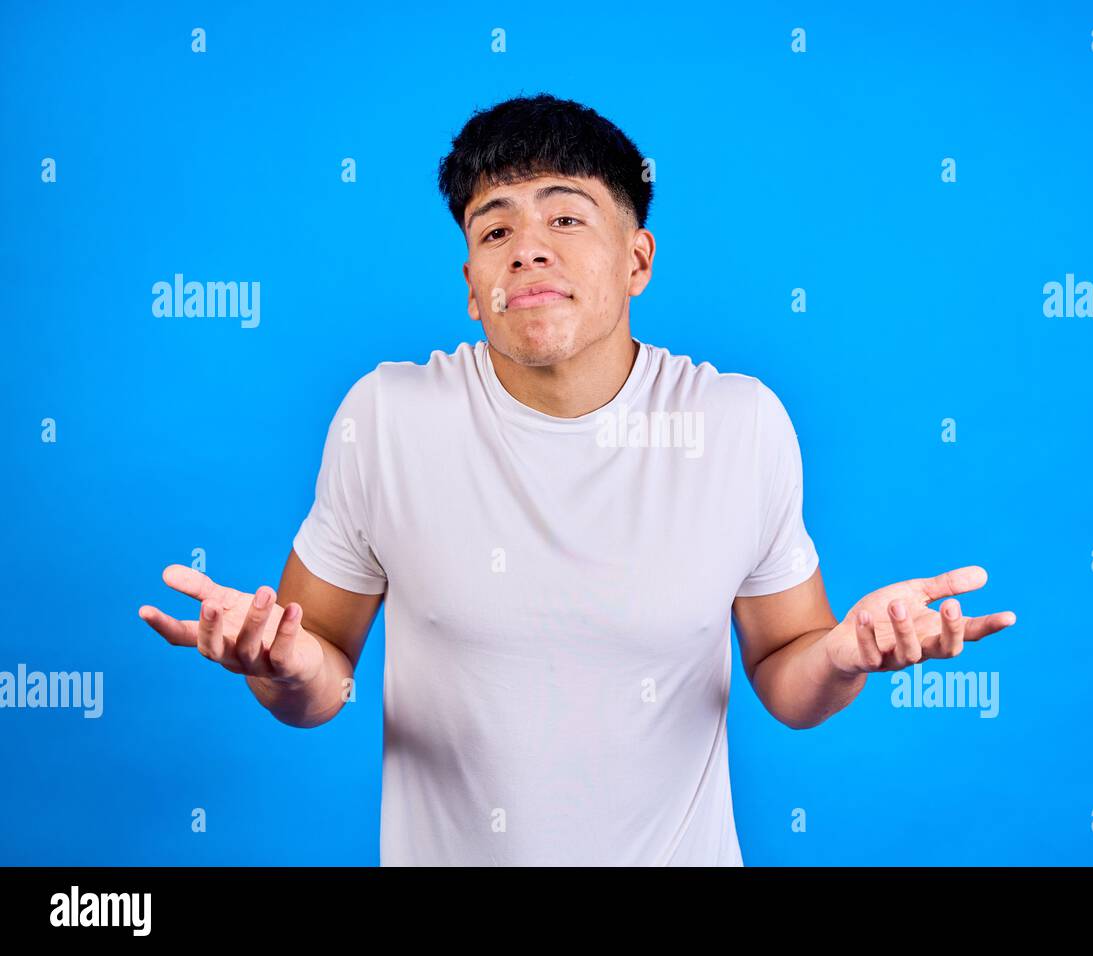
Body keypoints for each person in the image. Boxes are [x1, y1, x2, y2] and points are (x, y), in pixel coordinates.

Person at [138, 93, 1017, 866]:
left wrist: (847, 651)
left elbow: (790, 676)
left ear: (637, 259)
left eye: (565, 219)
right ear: (472, 287)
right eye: (495, 230)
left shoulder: (737, 423)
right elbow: (320, 677)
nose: (527, 251)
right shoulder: (387, 417)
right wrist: (280, 664)